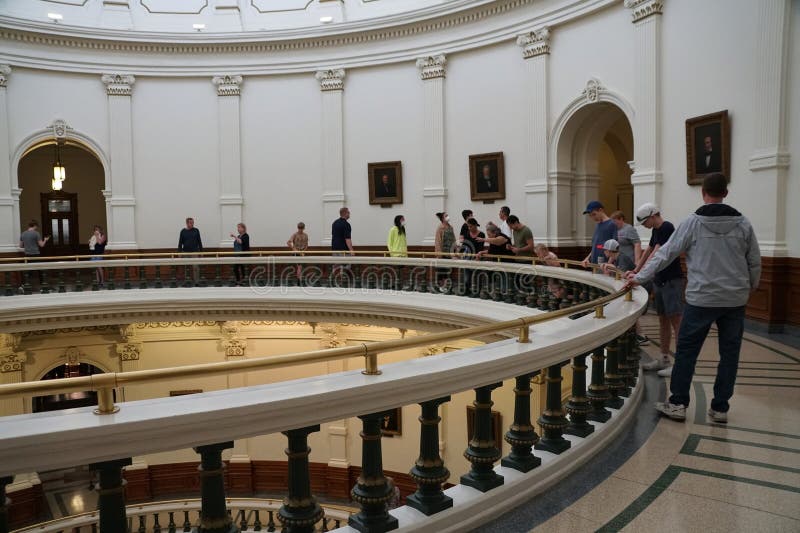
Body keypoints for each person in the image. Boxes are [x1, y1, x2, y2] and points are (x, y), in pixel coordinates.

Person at [625, 173, 760, 423]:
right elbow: (754, 261)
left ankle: (678, 403)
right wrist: (750, 287)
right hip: (734, 300)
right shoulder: (744, 224)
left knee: (687, 351)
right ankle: (720, 408)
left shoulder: (693, 223)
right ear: (726, 193)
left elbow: (665, 254)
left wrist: (640, 277)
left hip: (702, 298)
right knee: (730, 353)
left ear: (703, 192)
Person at [631, 203, 684, 374]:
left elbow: (658, 254)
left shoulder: (667, 227)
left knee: (676, 321)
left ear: (653, 215)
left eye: (645, 222)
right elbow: (649, 251)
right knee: (663, 319)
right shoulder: (656, 230)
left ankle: (681, 364)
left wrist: (640, 275)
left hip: (671, 280)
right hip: (659, 280)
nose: (645, 225)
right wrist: (636, 270)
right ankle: (663, 358)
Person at [581, 201, 617, 267]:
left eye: (594, 214)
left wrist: (609, 264)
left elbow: (615, 247)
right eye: (590, 215)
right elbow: (596, 245)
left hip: (605, 266)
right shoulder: (598, 225)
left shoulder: (612, 224)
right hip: (594, 264)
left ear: (601, 210)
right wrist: (588, 258)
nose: (593, 217)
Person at [19, 220, 49, 288]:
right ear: (35, 225)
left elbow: (20, 246)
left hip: (27, 254)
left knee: (29, 270)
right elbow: (41, 245)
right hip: (35, 254)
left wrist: (28, 245)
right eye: (36, 227)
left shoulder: (23, 234)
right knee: (40, 270)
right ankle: (43, 285)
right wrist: (45, 240)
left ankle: (23, 285)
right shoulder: (36, 233)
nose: (36, 228)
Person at [178, 217, 203, 283]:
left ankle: (196, 281)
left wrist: (201, 251)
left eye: (193, 222)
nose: (192, 224)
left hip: (195, 252)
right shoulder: (183, 231)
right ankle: (187, 281)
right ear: (187, 223)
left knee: (196, 267)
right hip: (185, 252)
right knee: (187, 267)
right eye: (191, 223)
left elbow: (199, 241)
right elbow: (180, 242)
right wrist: (179, 253)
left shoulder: (196, 230)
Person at [331, 206, 353, 278]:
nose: (349, 213)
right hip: (343, 249)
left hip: (334, 248)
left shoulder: (334, 223)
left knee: (336, 265)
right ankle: (342, 280)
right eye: (348, 212)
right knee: (347, 264)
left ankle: (333, 280)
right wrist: (351, 250)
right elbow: (347, 239)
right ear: (345, 213)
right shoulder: (346, 224)